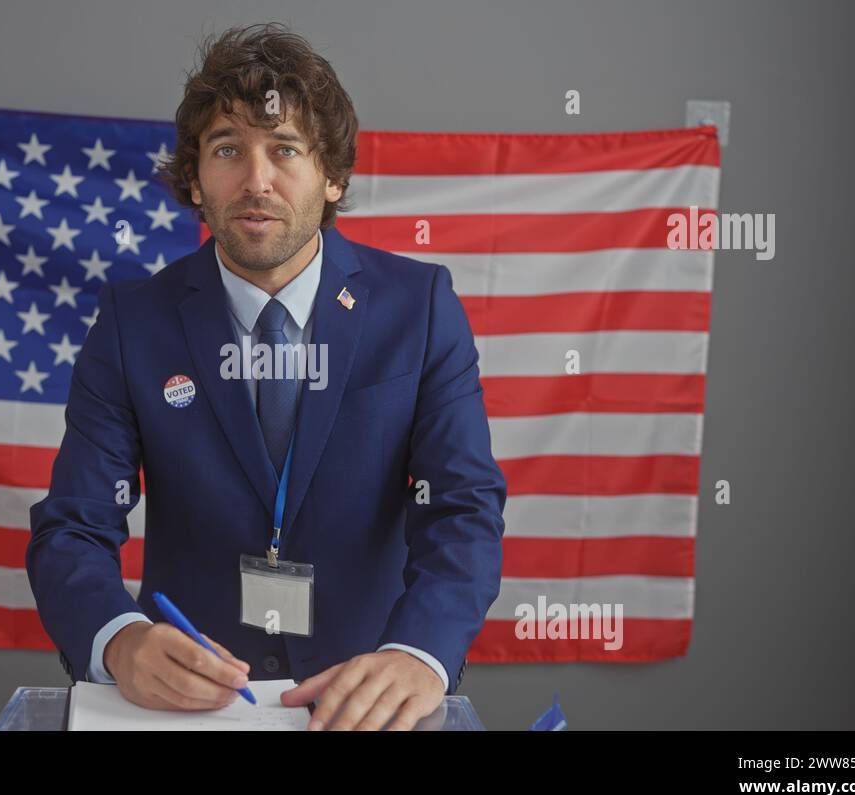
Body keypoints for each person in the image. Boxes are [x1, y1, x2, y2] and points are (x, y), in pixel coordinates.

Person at [26, 22, 507, 731]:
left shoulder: (421, 308)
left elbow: (463, 507)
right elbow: (72, 524)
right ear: (195, 177)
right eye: (228, 150)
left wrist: (418, 652)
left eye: (285, 149)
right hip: (188, 711)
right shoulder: (135, 322)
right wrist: (119, 639)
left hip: (363, 703)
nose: (257, 179)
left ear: (332, 175)